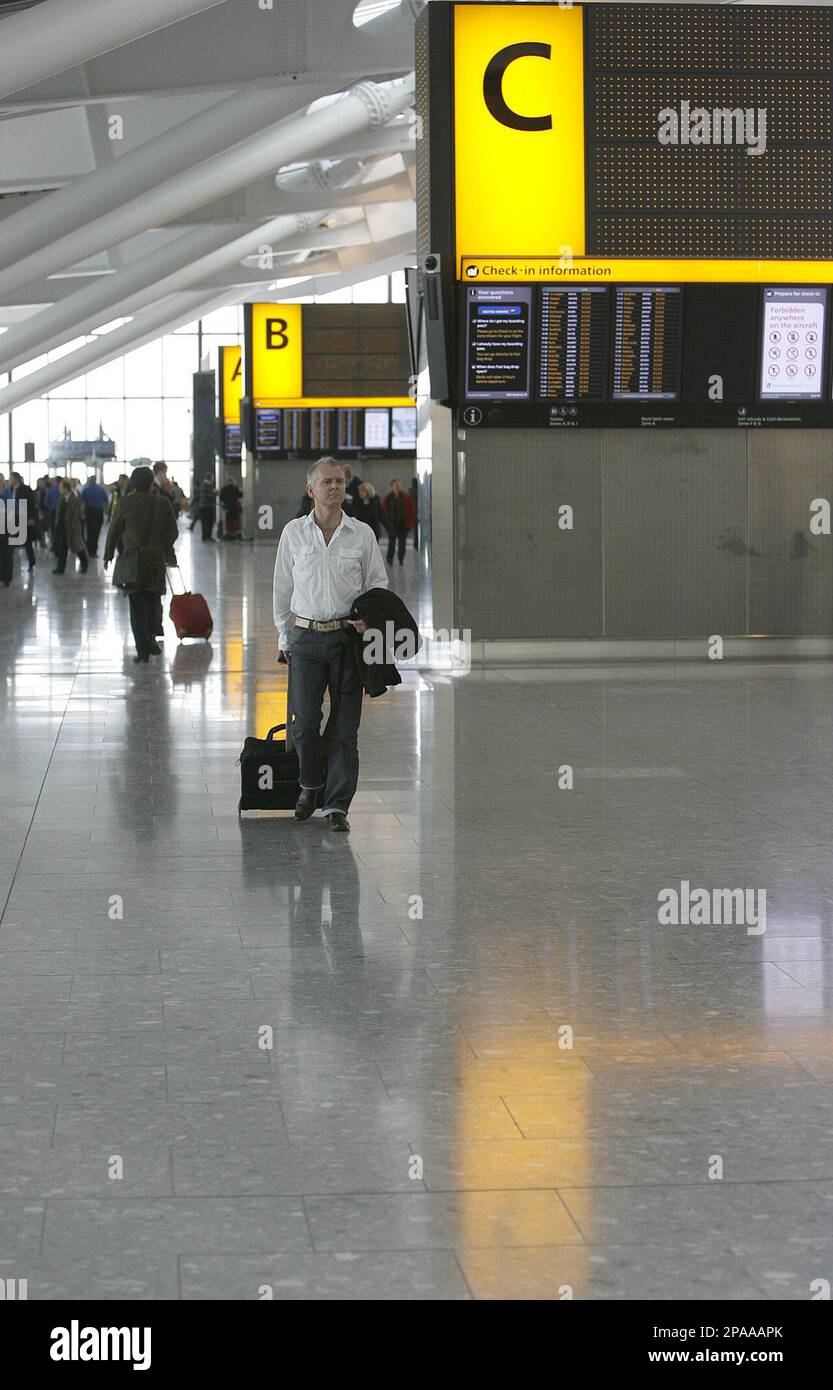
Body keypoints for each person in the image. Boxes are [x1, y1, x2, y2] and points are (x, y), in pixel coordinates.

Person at [273, 456, 388, 832]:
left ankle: (336, 806)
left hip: (346, 641)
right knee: (304, 724)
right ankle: (310, 785)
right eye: (327, 482)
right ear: (311, 490)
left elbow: (377, 586)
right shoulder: (293, 533)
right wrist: (283, 633)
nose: (335, 487)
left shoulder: (362, 534)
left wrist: (368, 618)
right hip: (305, 639)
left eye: (339, 481)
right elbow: (282, 589)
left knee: (344, 729)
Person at [103, 465, 179, 664]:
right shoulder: (162, 503)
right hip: (155, 560)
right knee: (153, 600)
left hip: (132, 560)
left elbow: (114, 531)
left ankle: (142, 650)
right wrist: (163, 546)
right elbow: (173, 532)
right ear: (151, 483)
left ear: (133, 484)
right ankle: (152, 636)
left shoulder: (124, 503)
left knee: (136, 604)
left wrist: (108, 554)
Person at [52, 479, 89, 575]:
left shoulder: (74, 499)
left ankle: (85, 564)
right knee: (62, 549)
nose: (59, 490)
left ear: (66, 489)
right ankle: (60, 568)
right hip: (62, 527)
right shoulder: (61, 498)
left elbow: (76, 514)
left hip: (72, 528)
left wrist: (73, 526)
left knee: (77, 547)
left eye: (61, 488)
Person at [3, 472, 37, 571]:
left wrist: (31, 518)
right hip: (11, 519)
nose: (9, 480)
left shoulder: (26, 489)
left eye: (11, 478)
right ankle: (9, 566)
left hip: (23, 517)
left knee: (27, 543)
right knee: (10, 542)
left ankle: (31, 563)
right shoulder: (8, 490)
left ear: (16, 479)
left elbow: (31, 504)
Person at [382, 479, 417, 565]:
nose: (397, 486)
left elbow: (412, 510)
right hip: (392, 523)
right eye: (396, 485)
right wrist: (386, 522)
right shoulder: (388, 497)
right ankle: (389, 559)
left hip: (402, 523)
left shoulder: (406, 497)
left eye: (399, 485)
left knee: (402, 542)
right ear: (392, 486)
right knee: (392, 541)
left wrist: (410, 522)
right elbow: (384, 510)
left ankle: (401, 559)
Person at [80, 473, 108, 558]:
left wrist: (82, 514)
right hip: (98, 512)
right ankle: (94, 551)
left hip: (89, 512)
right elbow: (106, 501)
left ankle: (88, 550)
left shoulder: (85, 490)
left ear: (89, 481)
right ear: (96, 480)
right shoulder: (101, 490)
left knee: (89, 531)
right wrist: (106, 512)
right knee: (96, 532)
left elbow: (82, 503)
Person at [219, 475, 243, 540]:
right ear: (232, 481)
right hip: (235, 508)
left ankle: (229, 534)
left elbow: (221, 498)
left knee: (228, 521)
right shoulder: (236, 488)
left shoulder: (224, 489)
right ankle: (234, 534)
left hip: (227, 508)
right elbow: (240, 496)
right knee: (235, 521)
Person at [198, 473, 216, 541]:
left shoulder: (203, 484)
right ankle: (206, 537)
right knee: (208, 522)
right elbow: (209, 495)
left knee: (206, 522)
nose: (213, 479)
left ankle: (207, 536)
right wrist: (214, 493)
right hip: (207, 506)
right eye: (212, 478)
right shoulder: (207, 485)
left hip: (204, 506)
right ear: (210, 478)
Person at [410, 476, 419, 550]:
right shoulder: (417, 491)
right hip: (416, 512)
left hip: (414, 512)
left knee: (416, 529)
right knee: (416, 529)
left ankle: (416, 544)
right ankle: (416, 544)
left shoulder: (411, 491)